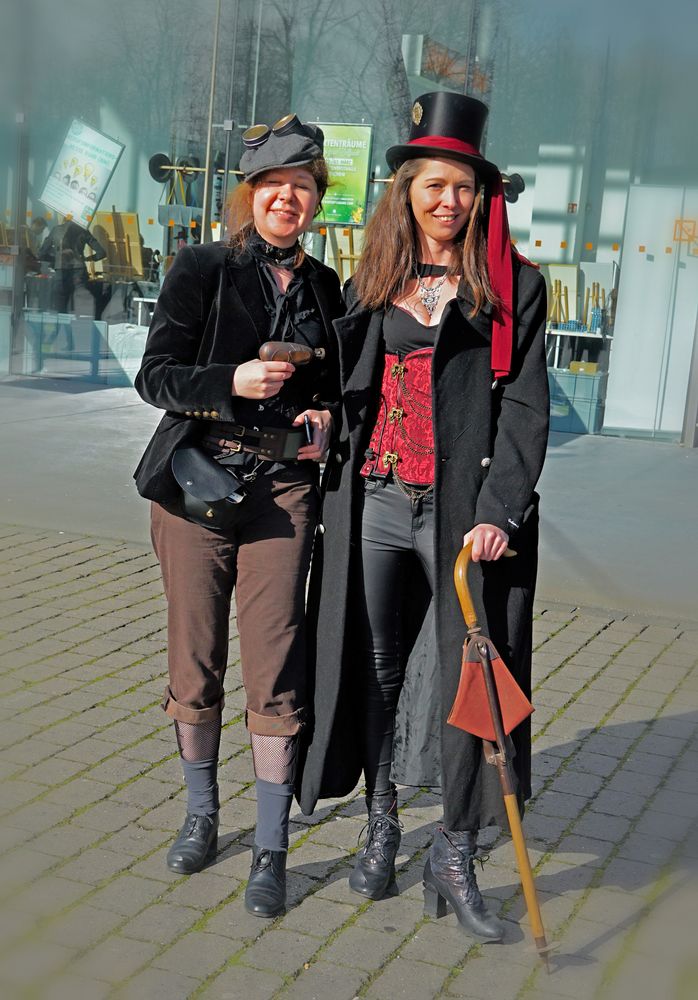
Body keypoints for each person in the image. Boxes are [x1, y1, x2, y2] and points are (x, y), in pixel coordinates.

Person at [298, 92, 549, 941]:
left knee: (463, 681)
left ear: (483, 196)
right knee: (376, 670)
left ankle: (456, 847)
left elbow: (524, 408)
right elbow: (342, 381)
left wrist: (499, 512)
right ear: (406, 191)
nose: (449, 201)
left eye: (463, 188)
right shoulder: (372, 279)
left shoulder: (515, 286)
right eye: (433, 185)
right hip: (373, 497)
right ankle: (381, 823)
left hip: (459, 516)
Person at [133, 115, 342, 918]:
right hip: (197, 484)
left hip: (283, 492)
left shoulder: (328, 290)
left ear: (317, 199)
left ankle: (270, 847)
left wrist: (326, 422)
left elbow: (340, 397)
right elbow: (156, 376)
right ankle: (199, 812)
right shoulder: (203, 268)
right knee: (195, 655)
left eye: (301, 185)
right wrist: (230, 382)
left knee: (277, 660)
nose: (286, 197)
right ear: (250, 194)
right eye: (273, 184)